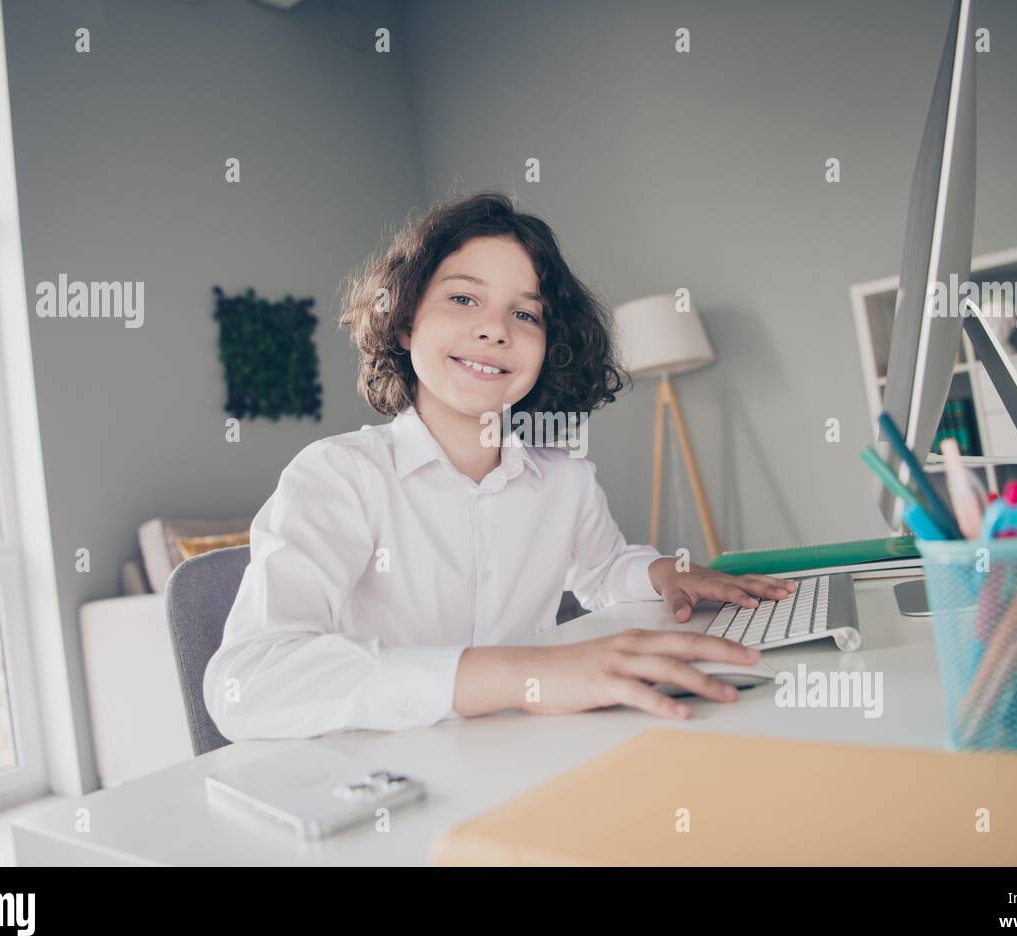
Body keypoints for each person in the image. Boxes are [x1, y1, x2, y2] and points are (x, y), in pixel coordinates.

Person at [203, 191, 795, 740]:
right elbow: (246, 682)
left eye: (526, 315)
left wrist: (663, 572)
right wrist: (519, 673)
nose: (494, 329)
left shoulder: (564, 480)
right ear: (406, 322)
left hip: (522, 752)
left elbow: (604, 569)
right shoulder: (337, 477)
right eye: (463, 299)